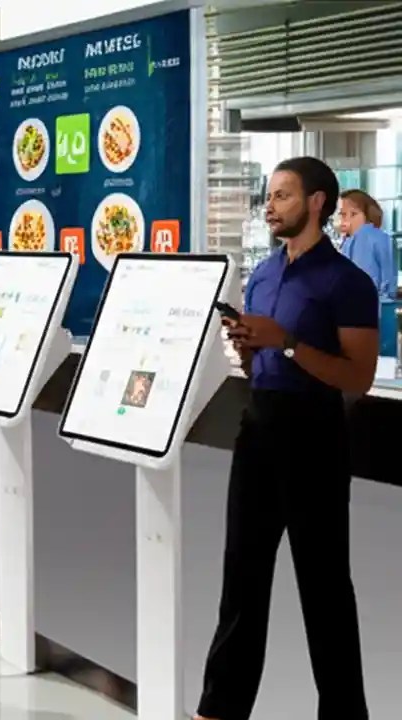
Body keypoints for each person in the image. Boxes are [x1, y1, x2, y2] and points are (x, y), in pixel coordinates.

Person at [194, 157, 376, 720]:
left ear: (317, 202)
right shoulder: (264, 274)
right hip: (259, 428)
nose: (269, 206)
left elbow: (358, 377)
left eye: (282, 196)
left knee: (323, 591)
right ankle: (219, 708)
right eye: (267, 197)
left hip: (315, 436)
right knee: (241, 581)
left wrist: (289, 343)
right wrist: (252, 350)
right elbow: (264, 363)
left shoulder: (348, 283)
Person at [337, 189, 397, 357]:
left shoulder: (374, 238)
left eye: (350, 214)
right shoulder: (349, 242)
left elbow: (388, 281)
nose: (344, 220)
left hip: (368, 312)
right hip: (367, 312)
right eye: (342, 215)